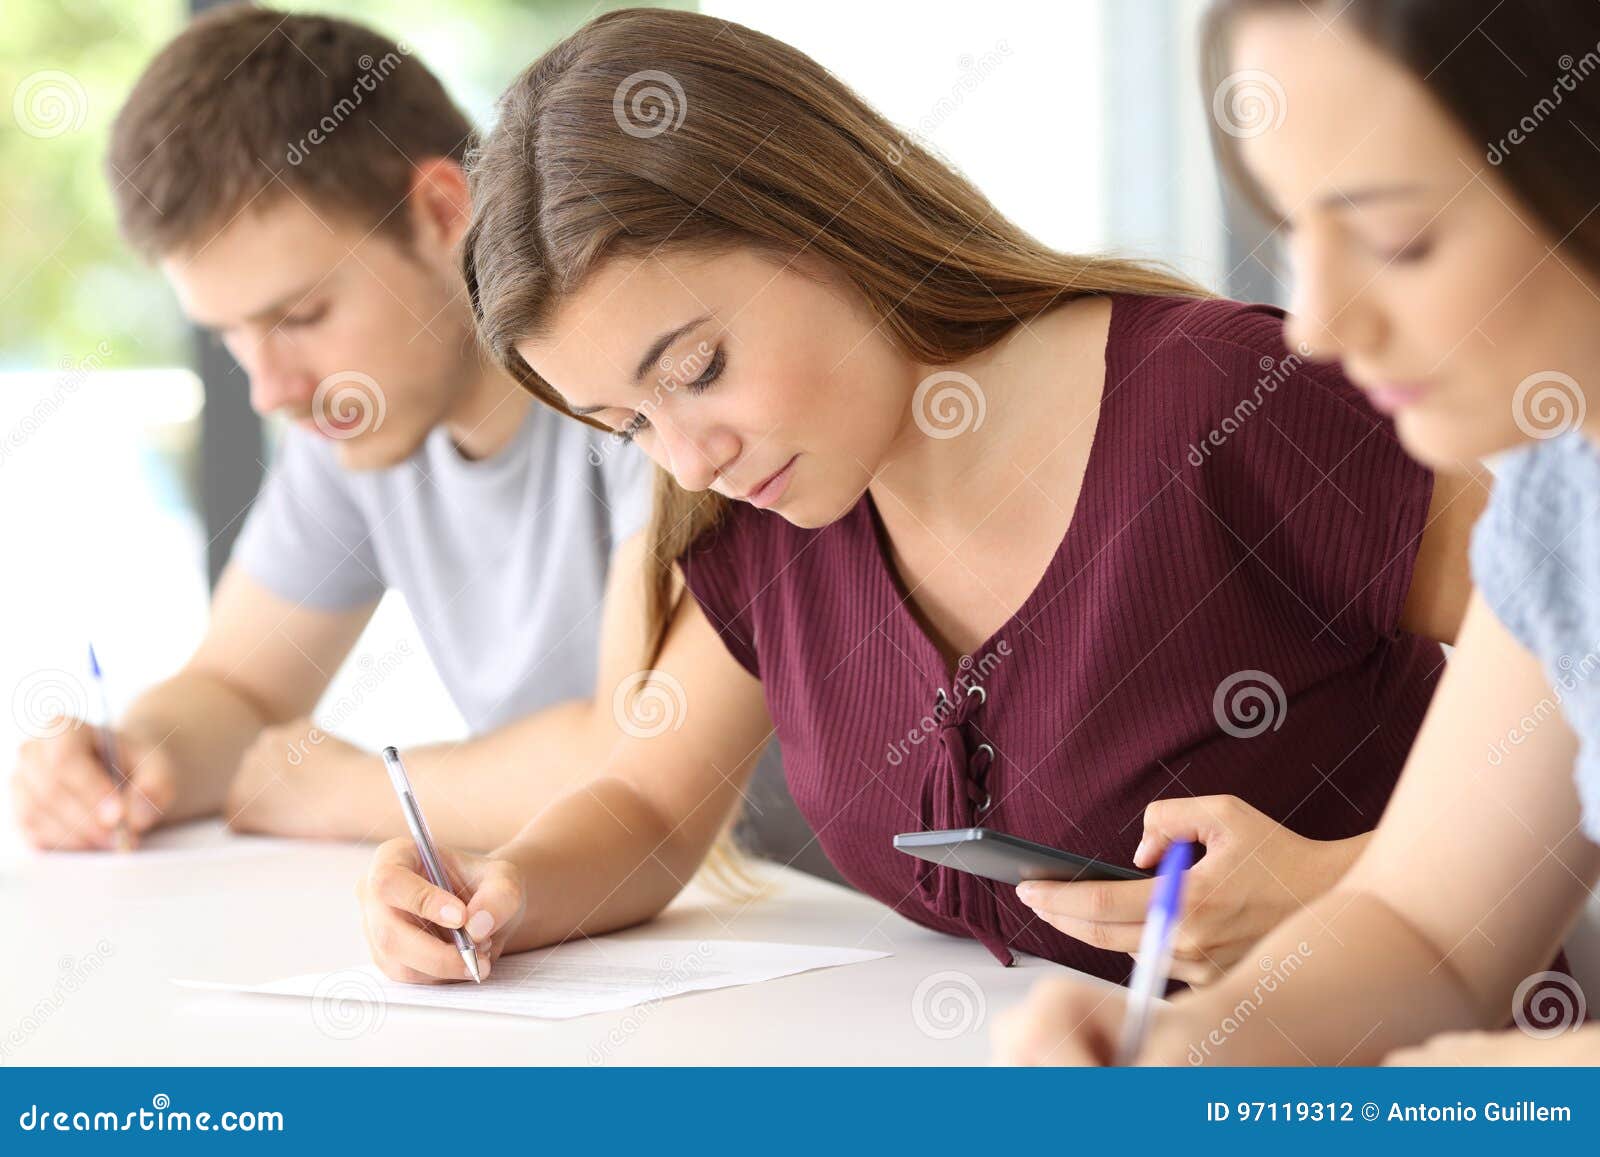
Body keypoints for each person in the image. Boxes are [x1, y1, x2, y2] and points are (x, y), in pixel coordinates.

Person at [353, 6, 1481, 987]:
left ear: (828, 218)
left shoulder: (1235, 401)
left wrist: (1344, 881)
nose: (688, 460)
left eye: (696, 371)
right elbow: (647, 811)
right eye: (628, 426)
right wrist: (499, 891)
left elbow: (1566, 681)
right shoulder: (772, 514)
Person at [9, 4, 827, 882]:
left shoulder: (641, 396)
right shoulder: (357, 424)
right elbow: (238, 693)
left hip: (836, 928)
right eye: (231, 338)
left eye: (302, 316)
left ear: (442, 212)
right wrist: (131, 757)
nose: (271, 388)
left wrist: (346, 789)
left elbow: (627, 755)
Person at [997, 0, 1600, 1064]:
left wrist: (1512, 1081)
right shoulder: (1559, 499)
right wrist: (1176, 1047)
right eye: (1292, 229)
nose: (1315, 323)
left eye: (1394, 238)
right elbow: (1423, 934)